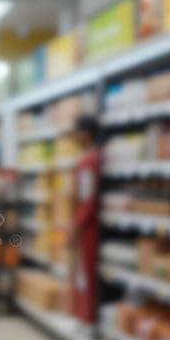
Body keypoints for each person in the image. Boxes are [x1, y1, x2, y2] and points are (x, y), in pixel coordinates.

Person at [70, 116, 100, 325]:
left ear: (86, 133)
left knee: (85, 272)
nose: (75, 136)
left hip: (88, 228)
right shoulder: (92, 159)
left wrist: (76, 226)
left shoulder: (88, 162)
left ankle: (86, 318)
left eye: (77, 132)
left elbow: (87, 200)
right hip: (89, 224)